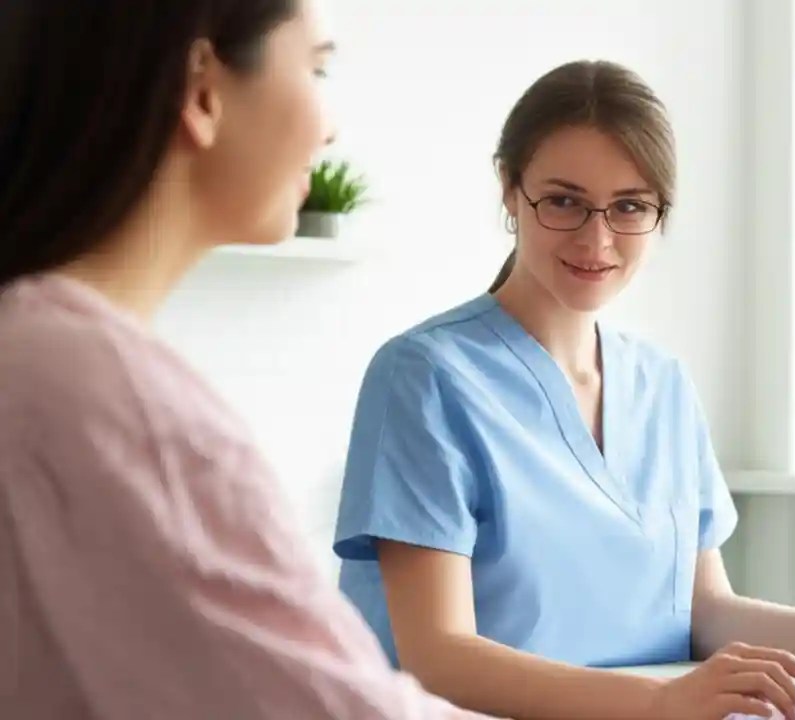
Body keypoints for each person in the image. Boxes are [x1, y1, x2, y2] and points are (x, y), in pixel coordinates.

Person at [0, 2, 491, 718]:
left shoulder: (43, 358)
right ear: (201, 90)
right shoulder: (110, 401)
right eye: (317, 69)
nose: (330, 127)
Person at [333, 60, 795, 720]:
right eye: (563, 201)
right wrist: (660, 701)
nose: (597, 238)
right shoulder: (425, 377)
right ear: (508, 189)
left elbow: (706, 613)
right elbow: (438, 655)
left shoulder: (662, 384)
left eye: (631, 206)